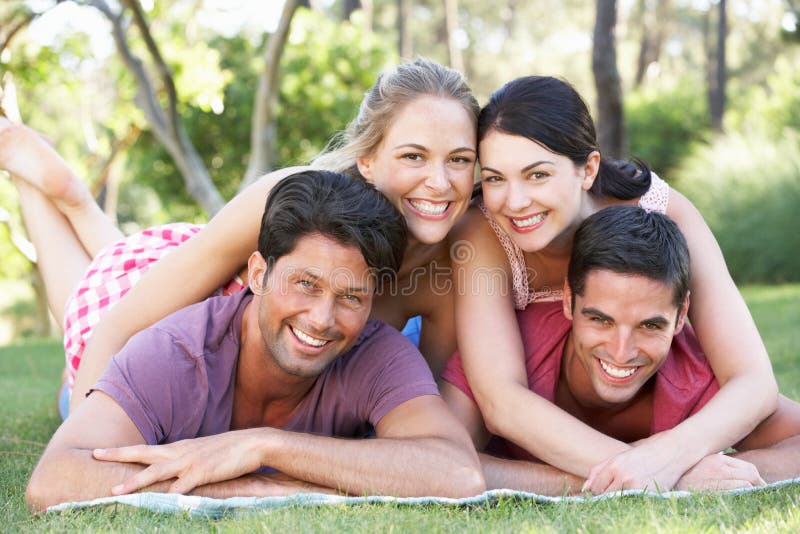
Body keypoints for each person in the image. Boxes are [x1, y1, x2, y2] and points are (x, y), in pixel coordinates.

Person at [0, 57, 479, 417]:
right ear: (368, 158)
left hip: (265, 360)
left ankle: (74, 200)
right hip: (185, 322)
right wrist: (83, 430)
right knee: (81, 352)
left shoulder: (453, 265)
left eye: (459, 159)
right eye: (414, 157)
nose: (440, 182)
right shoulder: (290, 200)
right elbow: (123, 324)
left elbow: (423, 403)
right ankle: (43, 189)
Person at [24, 170, 485, 513]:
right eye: (305, 284)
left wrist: (265, 448)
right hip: (117, 313)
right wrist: (251, 487)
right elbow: (54, 479)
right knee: (76, 332)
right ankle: (42, 190)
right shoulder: (175, 353)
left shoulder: (375, 352)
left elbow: (458, 472)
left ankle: (74, 204)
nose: (323, 319)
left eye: (351, 297)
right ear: (259, 273)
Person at [449, 76, 778, 494]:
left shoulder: (660, 215)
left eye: (537, 175)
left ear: (588, 169)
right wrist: (662, 474)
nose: (513, 201)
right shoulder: (484, 231)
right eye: (495, 178)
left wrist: (666, 457)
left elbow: (753, 380)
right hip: (473, 371)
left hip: (622, 390)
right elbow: (501, 402)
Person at [444, 206, 800, 495]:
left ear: (681, 317)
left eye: (650, 325)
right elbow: (447, 459)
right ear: (569, 300)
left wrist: (729, 473)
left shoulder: (696, 374)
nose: (621, 350)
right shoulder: (512, 347)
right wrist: (661, 477)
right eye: (600, 320)